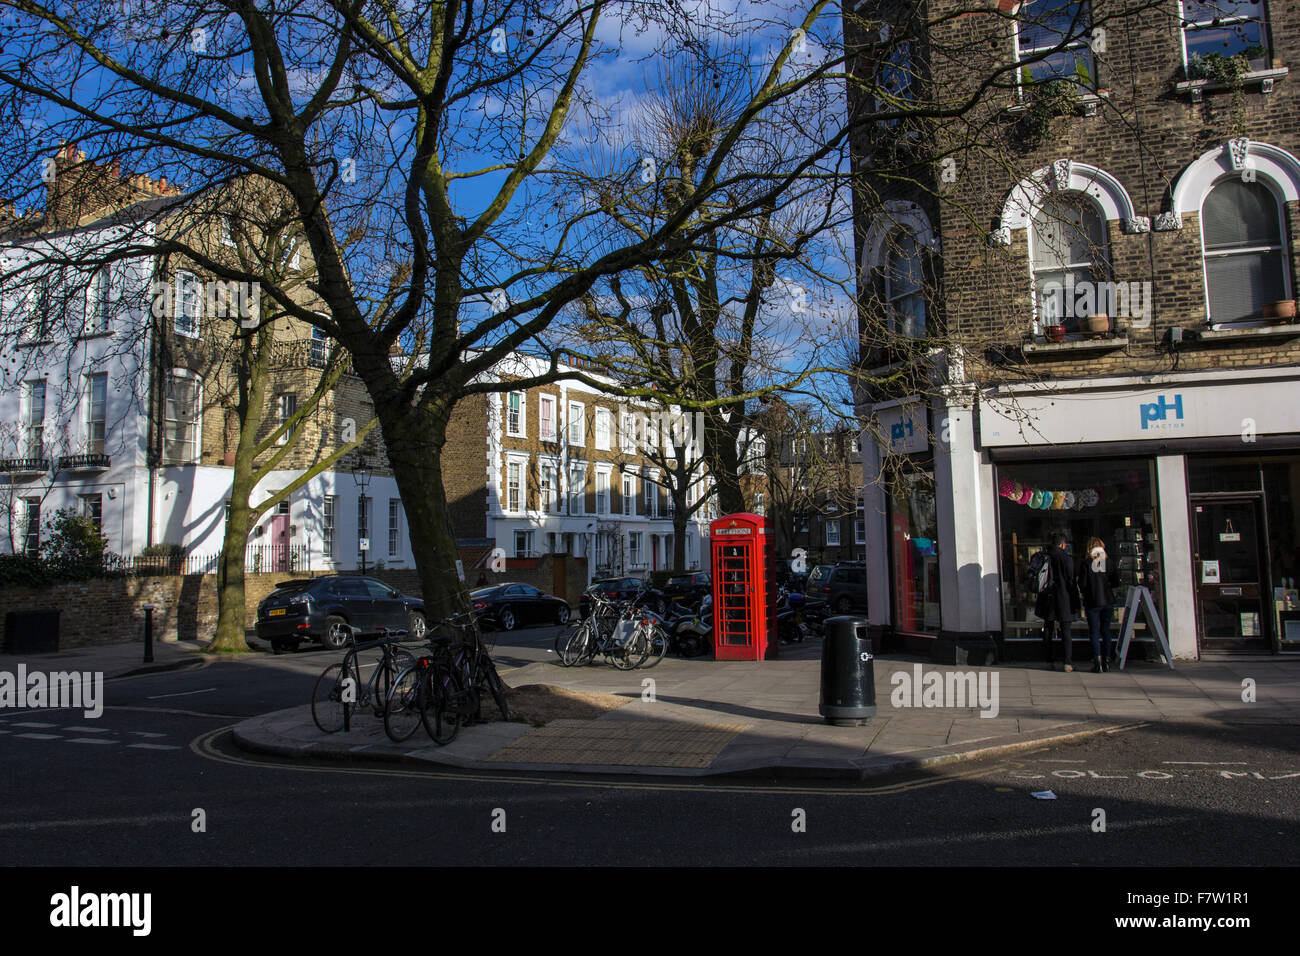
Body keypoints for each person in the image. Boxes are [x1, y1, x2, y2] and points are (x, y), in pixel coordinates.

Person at [1035, 532, 1079, 671]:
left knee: (1048, 628)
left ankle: (1049, 660)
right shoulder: (1066, 558)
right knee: (1066, 630)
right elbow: (1071, 579)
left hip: (1046, 596)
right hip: (1063, 597)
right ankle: (1067, 662)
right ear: (1062, 544)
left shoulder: (1043, 556)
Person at [1077, 536, 1119, 672]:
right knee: (1106, 630)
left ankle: (1097, 661)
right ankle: (1107, 660)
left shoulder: (1087, 563)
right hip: (1108, 600)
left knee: (1094, 632)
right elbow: (1116, 582)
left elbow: (1082, 584)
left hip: (1093, 601)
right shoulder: (1109, 562)